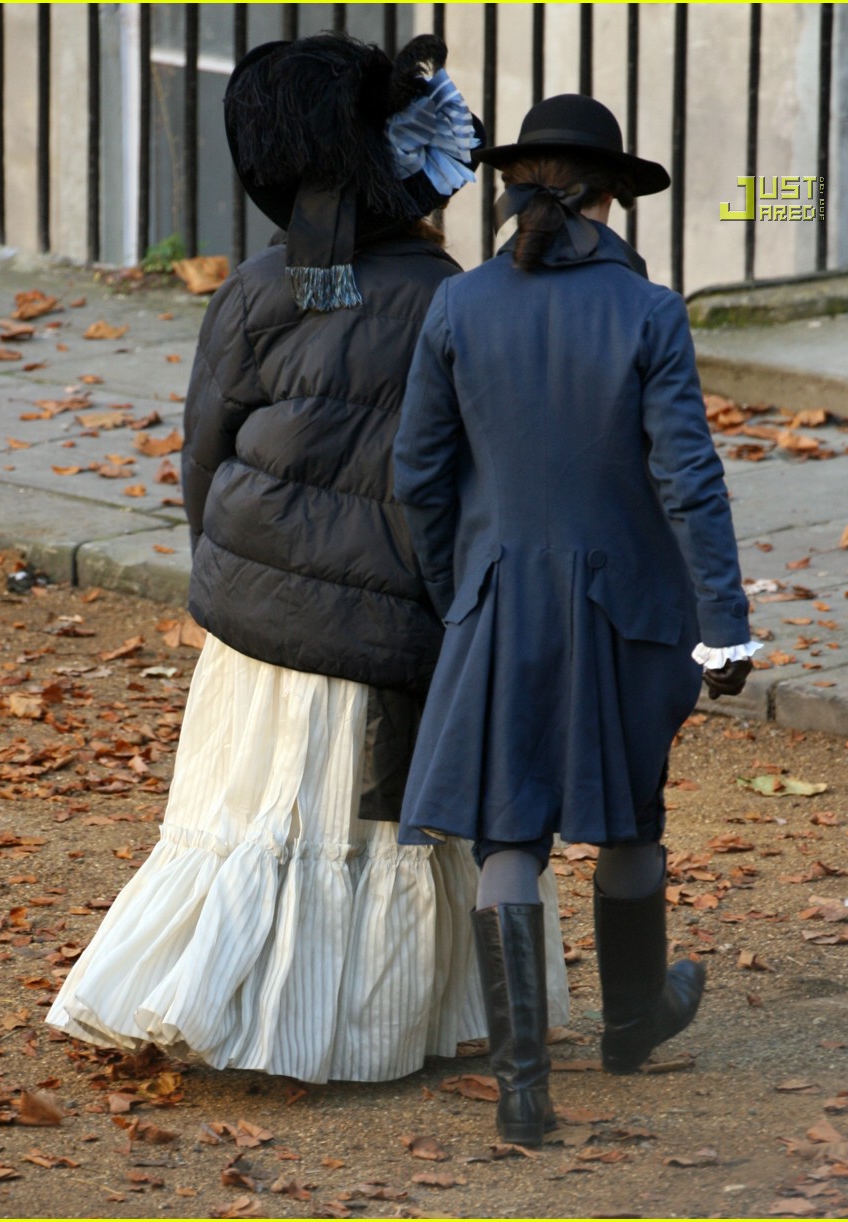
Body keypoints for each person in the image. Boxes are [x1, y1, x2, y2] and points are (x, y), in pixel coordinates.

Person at [47, 34, 570, 1083]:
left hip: (255, 624)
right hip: (390, 630)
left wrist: (237, 575)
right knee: (362, 836)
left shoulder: (256, 288)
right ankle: (353, 1030)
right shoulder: (459, 301)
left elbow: (204, 454)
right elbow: (482, 490)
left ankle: (211, 999)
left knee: (247, 820)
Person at [392, 93, 759, 1144]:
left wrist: (454, 584)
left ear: (513, 194)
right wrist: (725, 622)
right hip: (628, 609)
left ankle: (522, 1087)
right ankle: (632, 1024)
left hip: (496, 599)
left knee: (512, 829)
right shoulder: (647, 312)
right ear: (605, 198)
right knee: (629, 814)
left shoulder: (459, 306)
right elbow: (688, 477)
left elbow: (418, 471)